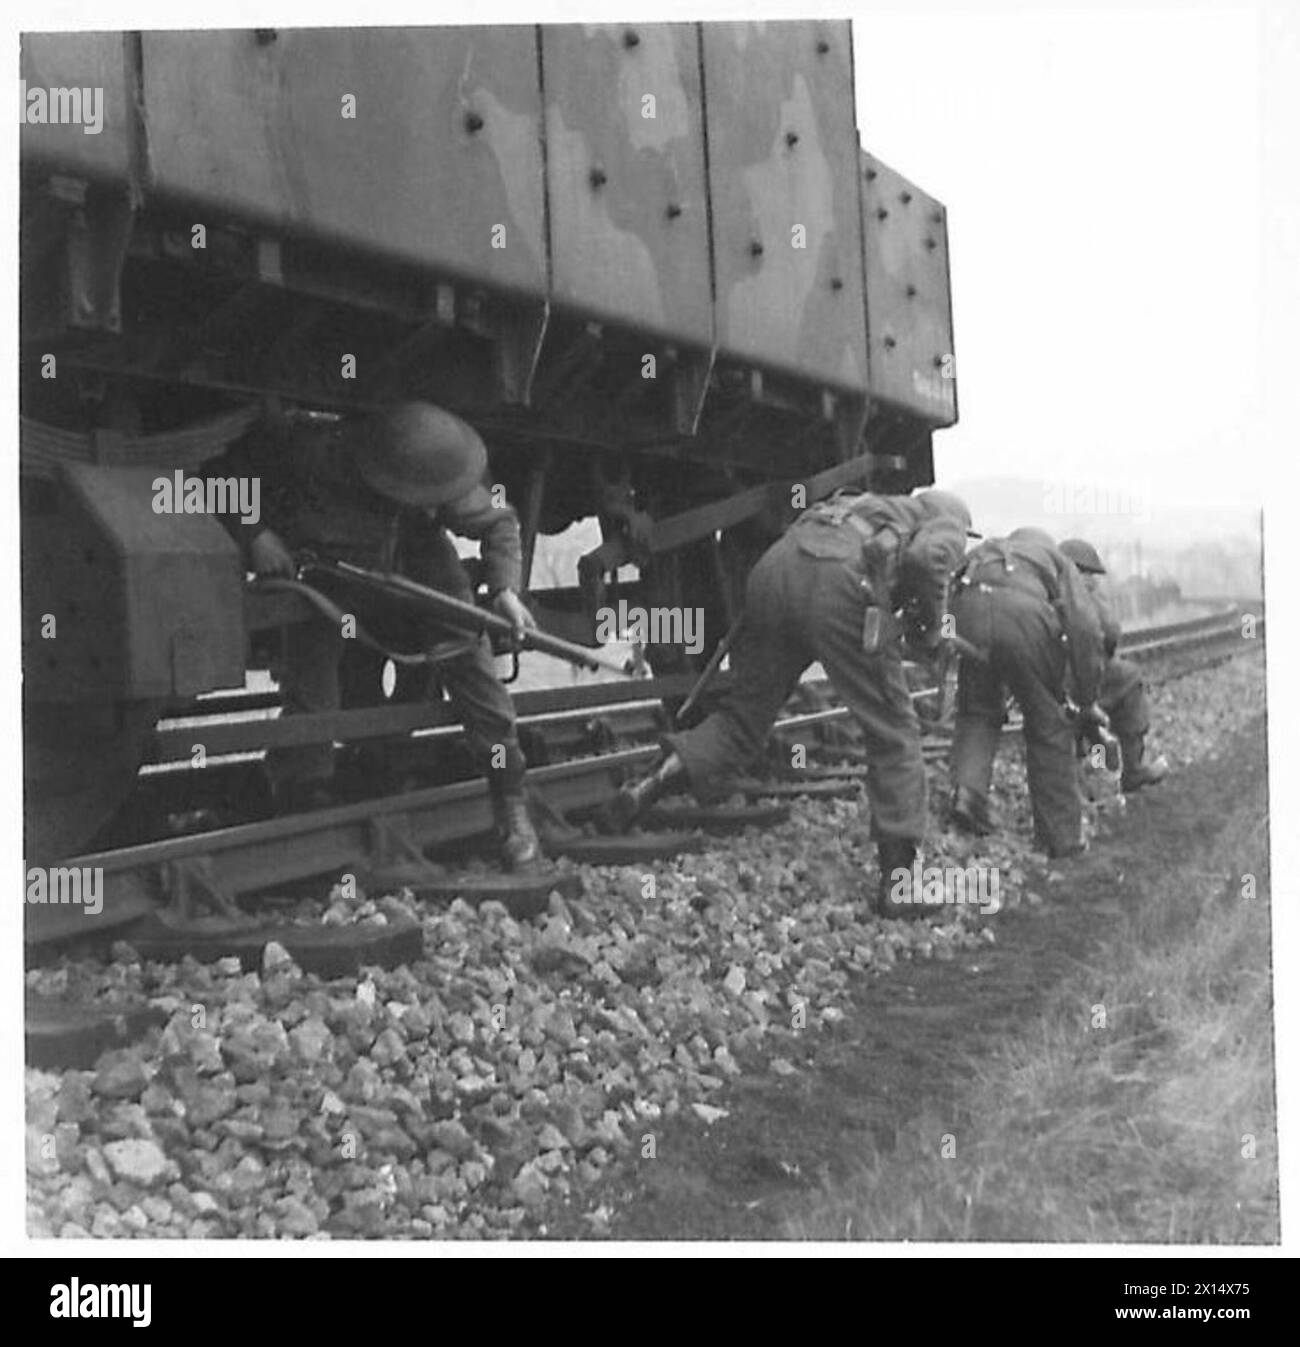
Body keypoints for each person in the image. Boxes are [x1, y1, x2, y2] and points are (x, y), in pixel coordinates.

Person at [606, 487, 975, 918]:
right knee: (894, 734)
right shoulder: (943, 522)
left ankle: (645, 787)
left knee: (743, 719)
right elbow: (928, 560)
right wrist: (930, 633)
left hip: (774, 573)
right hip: (840, 586)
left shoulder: (860, 505)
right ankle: (901, 886)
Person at [208, 400, 541, 870]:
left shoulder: (436, 469)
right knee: (312, 663)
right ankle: (303, 790)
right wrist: (256, 534)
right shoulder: (311, 452)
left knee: (469, 648)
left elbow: (499, 520)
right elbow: (218, 474)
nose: (435, 502)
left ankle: (510, 801)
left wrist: (506, 588)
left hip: (418, 561)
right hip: (331, 567)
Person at [948, 526, 1106, 858]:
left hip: (968, 615)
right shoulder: (1057, 560)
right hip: (1022, 618)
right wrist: (1088, 699)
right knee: (1047, 723)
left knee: (977, 710)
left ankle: (968, 796)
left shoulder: (987, 551)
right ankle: (1062, 838)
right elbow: (1086, 629)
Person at [1058, 538, 1169, 791]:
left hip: (1041, 674)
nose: (1093, 580)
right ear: (1078, 571)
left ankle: (1093, 761)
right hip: (1074, 676)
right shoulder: (1083, 594)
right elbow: (1110, 633)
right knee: (1128, 678)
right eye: (1089, 574)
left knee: (1092, 696)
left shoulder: (1040, 585)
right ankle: (1133, 769)